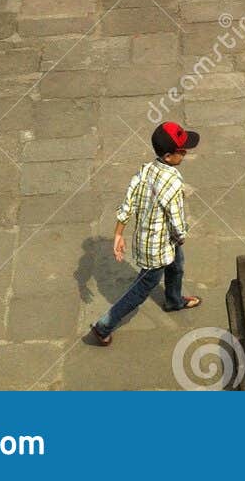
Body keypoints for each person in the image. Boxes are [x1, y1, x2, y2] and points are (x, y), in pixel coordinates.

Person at [87, 122, 202, 345]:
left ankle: (173, 300)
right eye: (181, 150)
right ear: (169, 156)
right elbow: (177, 223)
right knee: (141, 289)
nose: (185, 153)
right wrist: (181, 237)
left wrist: (119, 233)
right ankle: (104, 326)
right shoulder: (173, 183)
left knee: (177, 265)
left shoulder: (146, 169)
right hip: (158, 249)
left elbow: (127, 203)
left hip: (147, 238)